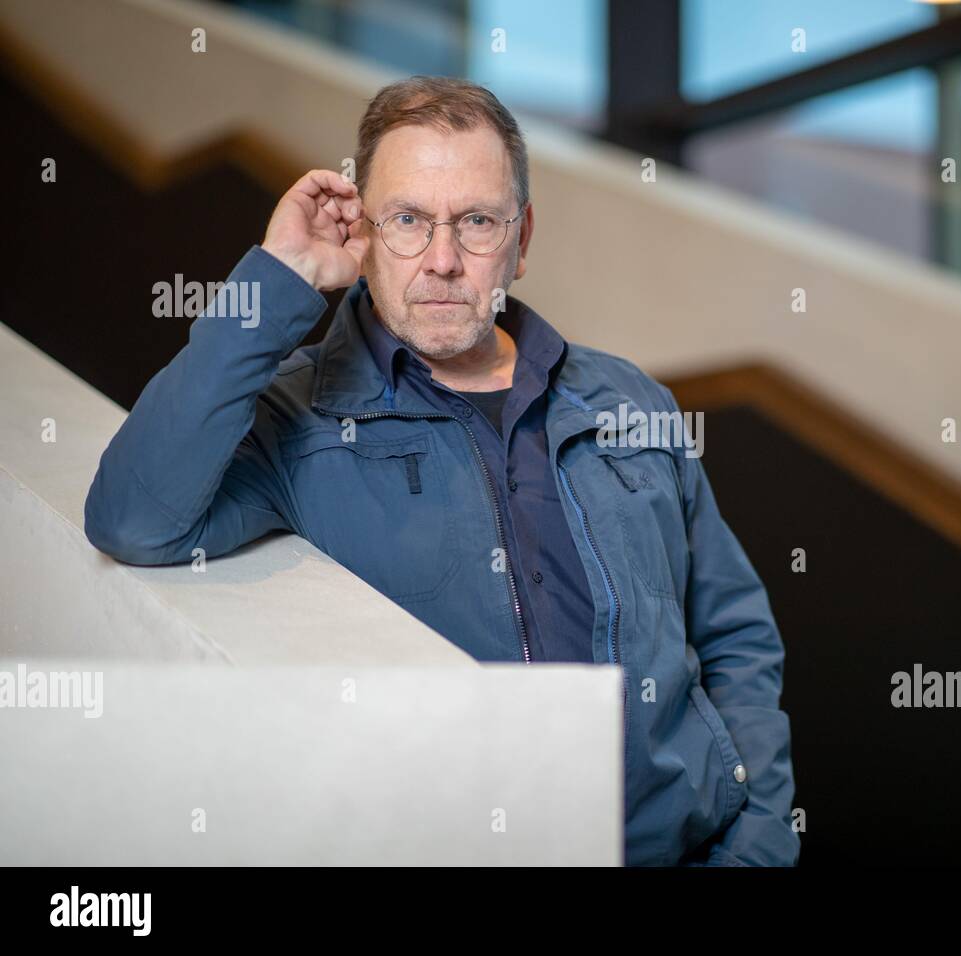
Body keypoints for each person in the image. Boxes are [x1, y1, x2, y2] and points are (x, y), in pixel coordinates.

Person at [84, 75, 798, 867]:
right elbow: (134, 518)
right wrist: (278, 277)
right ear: (363, 234)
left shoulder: (630, 398)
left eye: (478, 222)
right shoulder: (301, 415)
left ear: (522, 240)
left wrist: (758, 843)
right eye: (408, 221)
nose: (444, 260)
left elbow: (735, 636)